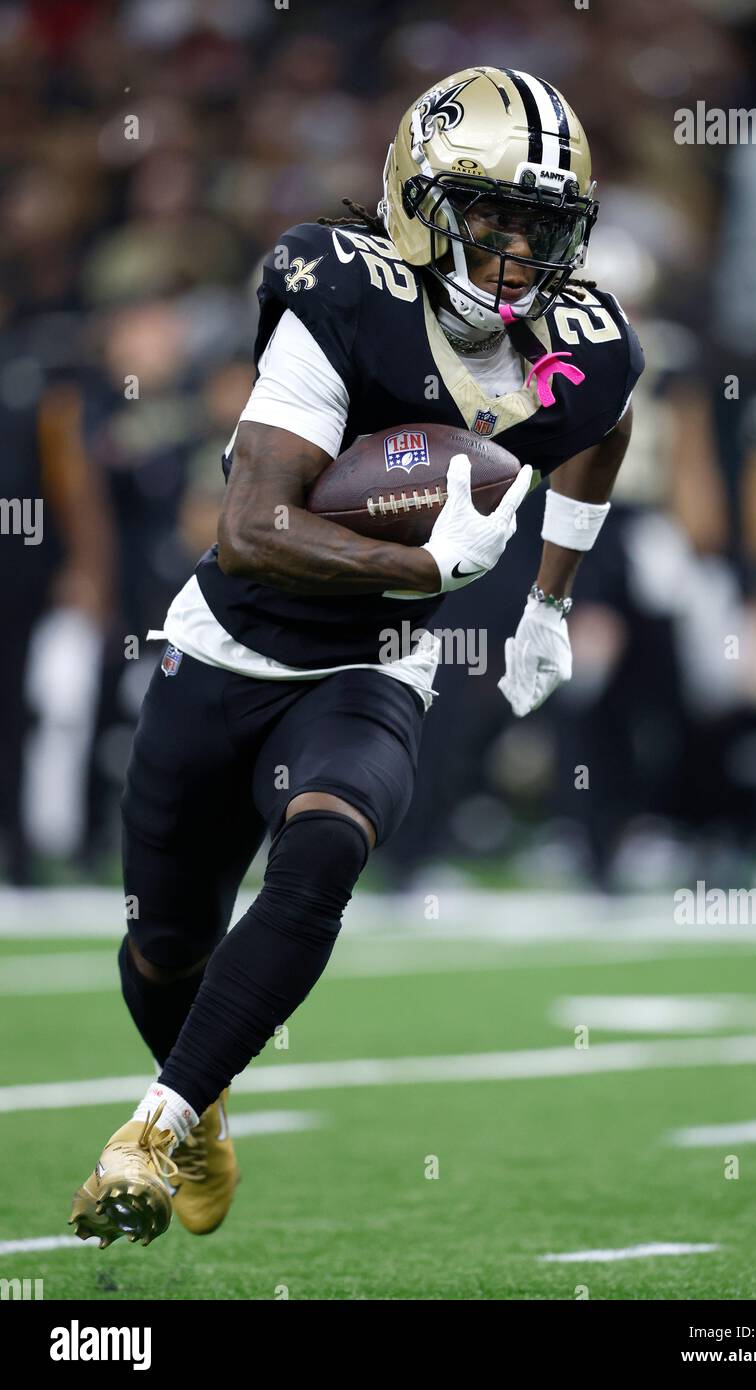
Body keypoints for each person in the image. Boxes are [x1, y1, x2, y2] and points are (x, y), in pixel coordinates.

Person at [69, 66, 643, 1249]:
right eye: (488, 219)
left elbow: (606, 424)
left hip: (370, 664)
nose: (515, 256)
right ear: (418, 205)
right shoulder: (339, 292)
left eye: (542, 228)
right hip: (224, 645)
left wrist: (546, 598)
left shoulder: (578, 342)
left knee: (326, 840)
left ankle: (155, 1126)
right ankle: (209, 1103)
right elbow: (250, 527)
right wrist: (430, 569)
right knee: (164, 942)